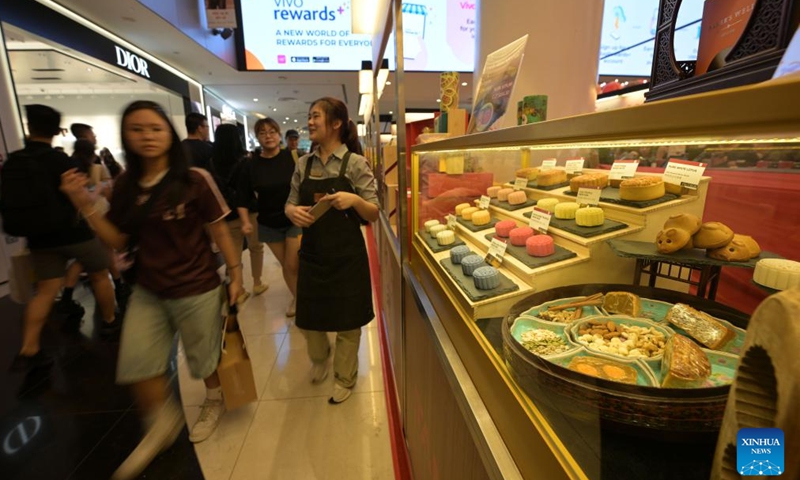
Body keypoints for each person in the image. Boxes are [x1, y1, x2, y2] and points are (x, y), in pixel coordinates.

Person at [60, 100, 244, 479]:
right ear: (127, 136)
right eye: (137, 129)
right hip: (148, 288)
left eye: (155, 128)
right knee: (138, 363)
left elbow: (218, 228)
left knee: (205, 358)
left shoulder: (194, 179)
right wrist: (86, 204)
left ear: (169, 135)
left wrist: (237, 272)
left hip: (197, 285)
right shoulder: (125, 183)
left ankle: (213, 398)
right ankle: (160, 424)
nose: (147, 136)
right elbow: (117, 238)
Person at [3, 105, 119, 372]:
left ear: (30, 128)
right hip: (73, 231)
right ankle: (110, 322)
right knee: (101, 273)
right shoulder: (61, 162)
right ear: (56, 131)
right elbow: (84, 194)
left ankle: (29, 348)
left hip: (39, 238)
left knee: (45, 291)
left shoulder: (14, 161)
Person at [285, 97, 379, 404]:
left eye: (316, 117)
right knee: (309, 317)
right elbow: (290, 202)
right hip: (313, 255)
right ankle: (320, 356)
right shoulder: (303, 163)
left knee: (348, 321)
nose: (310, 122)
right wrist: (291, 212)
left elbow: (374, 212)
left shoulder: (355, 164)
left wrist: (354, 201)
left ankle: (345, 376)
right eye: (309, 116)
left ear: (336, 123)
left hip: (347, 256)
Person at [238, 118, 298, 314]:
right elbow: (242, 195)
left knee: (293, 263)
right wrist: (246, 221)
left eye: (272, 131)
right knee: (286, 266)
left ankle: (305, 299)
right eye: (263, 133)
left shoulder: (294, 158)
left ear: (279, 135)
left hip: (294, 218)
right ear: (257, 138)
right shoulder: (250, 165)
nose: (268, 136)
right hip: (268, 223)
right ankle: (298, 299)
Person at [212, 123, 267, 297]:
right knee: (256, 247)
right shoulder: (246, 159)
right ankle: (257, 282)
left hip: (225, 214)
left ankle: (239, 288)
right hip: (248, 210)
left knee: (232, 253)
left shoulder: (211, 161)